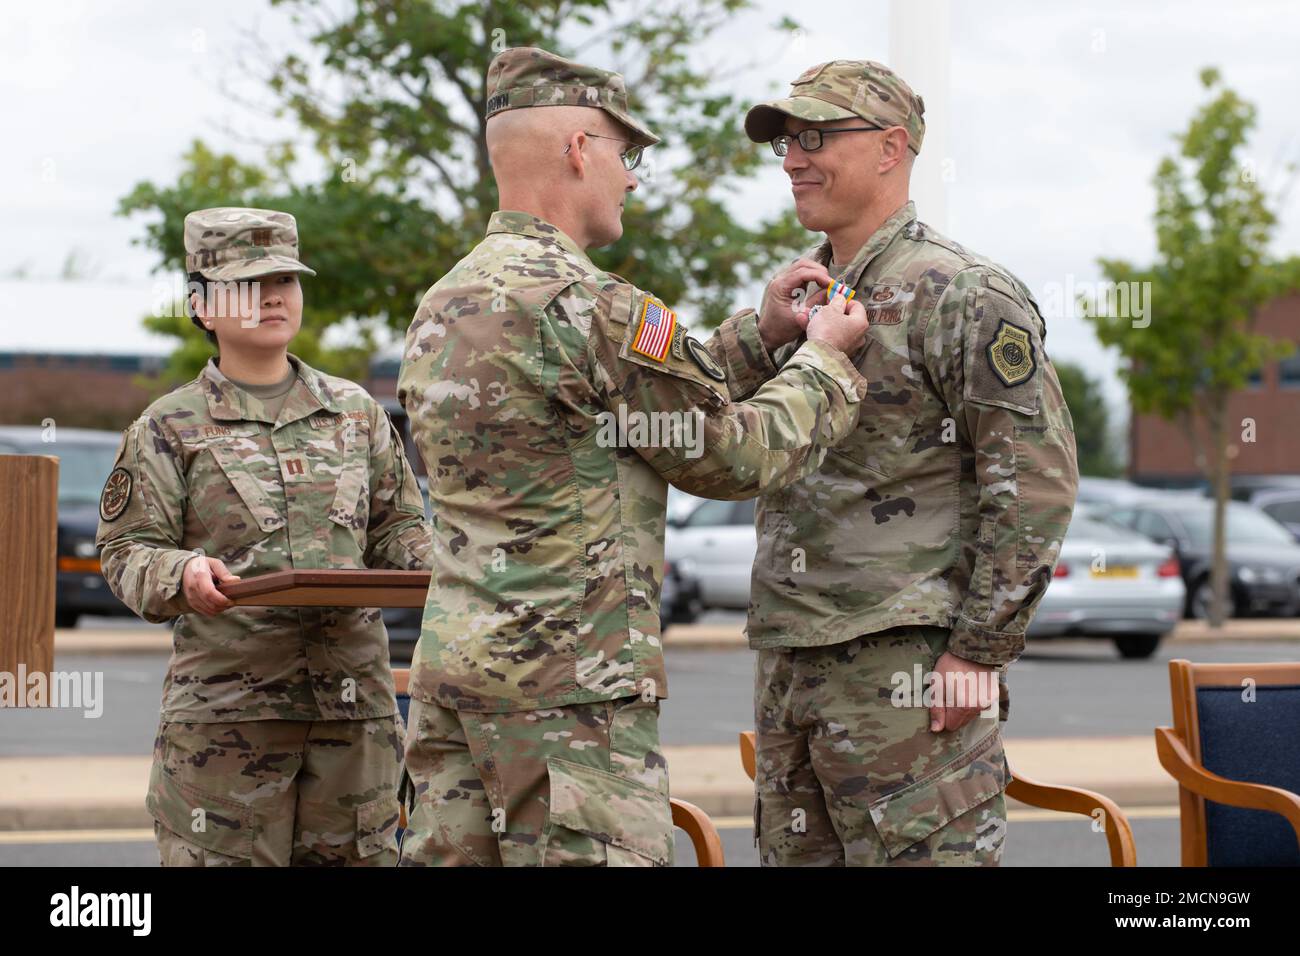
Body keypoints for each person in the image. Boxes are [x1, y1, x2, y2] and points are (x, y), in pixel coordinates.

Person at [395, 46, 872, 867]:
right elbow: (728, 456)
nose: (634, 177)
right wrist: (826, 360)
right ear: (579, 150)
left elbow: (621, 418)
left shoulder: (445, 302)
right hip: (570, 696)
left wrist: (757, 338)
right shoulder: (596, 308)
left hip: (454, 684)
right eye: (628, 153)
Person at [741, 60, 1079, 866]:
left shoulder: (963, 293)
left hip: (909, 672)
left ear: (891, 148)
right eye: (788, 140)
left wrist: (979, 651)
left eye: (816, 136)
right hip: (794, 659)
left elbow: (1033, 483)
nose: (793, 157)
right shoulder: (807, 300)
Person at [96, 206, 431, 866]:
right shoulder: (169, 428)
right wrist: (182, 574)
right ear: (201, 304)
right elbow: (126, 551)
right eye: (250, 283)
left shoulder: (357, 414)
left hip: (352, 715)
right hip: (228, 722)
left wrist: (439, 567)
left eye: (286, 280)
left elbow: (398, 529)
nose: (274, 296)